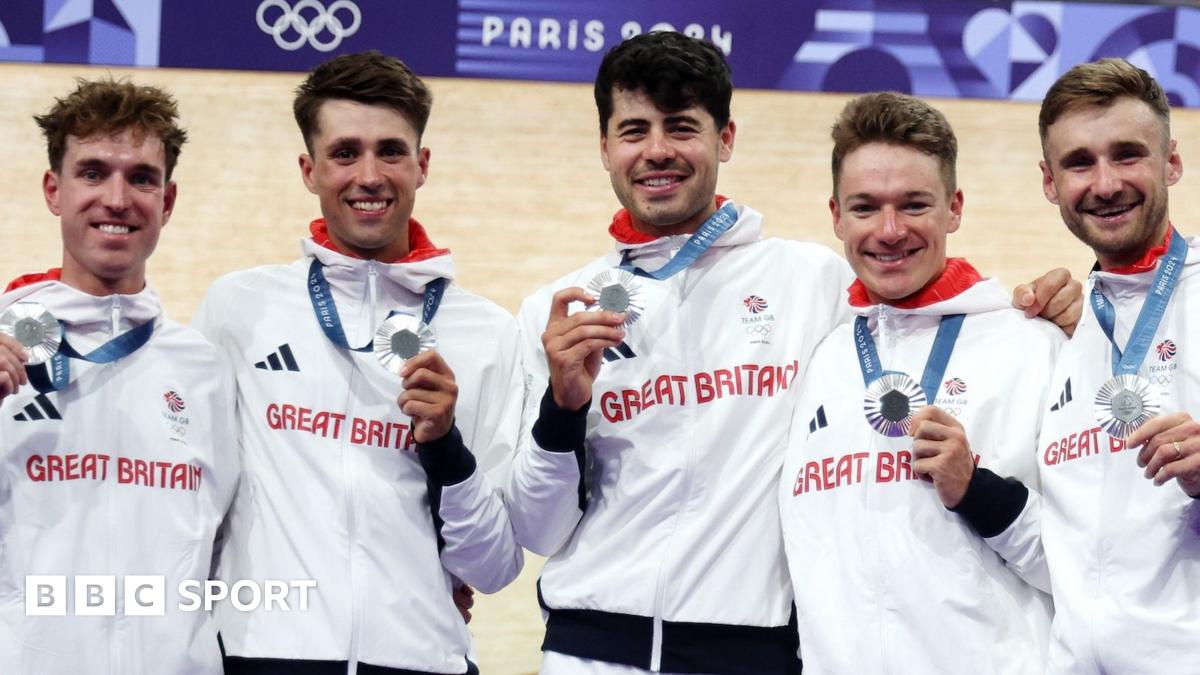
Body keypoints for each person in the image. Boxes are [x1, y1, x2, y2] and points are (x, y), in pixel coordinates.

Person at [508, 31, 856, 674]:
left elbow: (919, 322)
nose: (658, 151)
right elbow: (537, 529)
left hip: (748, 653)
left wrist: (1045, 303)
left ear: (725, 138)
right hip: (589, 653)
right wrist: (562, 410)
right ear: (606, 148)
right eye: (634, 130)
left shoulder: (814, 282)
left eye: (682, 126)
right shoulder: (558, 313)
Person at [194, 51, 523, 674]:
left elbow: (494, 566)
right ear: (309, 170)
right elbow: (194, 501)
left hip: (422, 661)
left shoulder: (488, 333)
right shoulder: (238, 308)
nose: (369, 176)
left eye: (391, 152)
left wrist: (446, 449)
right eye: (345, 153)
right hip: (263, 657)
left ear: (422, 165)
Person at [777, 91, 1059, 673]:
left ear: (953, 208)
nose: (889, 230)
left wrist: (978, 491)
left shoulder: (1033, 347)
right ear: (836, 215)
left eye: (913, 205)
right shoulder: (821, 358)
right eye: (865, 207)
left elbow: (1087, 567)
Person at [969, 57, 1199, 672]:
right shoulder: (1063, 336)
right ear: (1050, 182)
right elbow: (1071, 561)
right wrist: (973, 491)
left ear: (1172, 162)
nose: (1105, 183)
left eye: (1128, 155)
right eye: (1079, 163)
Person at [0, 79, 237, 673]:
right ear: (54, 190)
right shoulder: (2, 348)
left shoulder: (204, 368)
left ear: (168, 200)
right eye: (93, 172)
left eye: (141, 178)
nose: (117, 198)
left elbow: (230, 545)